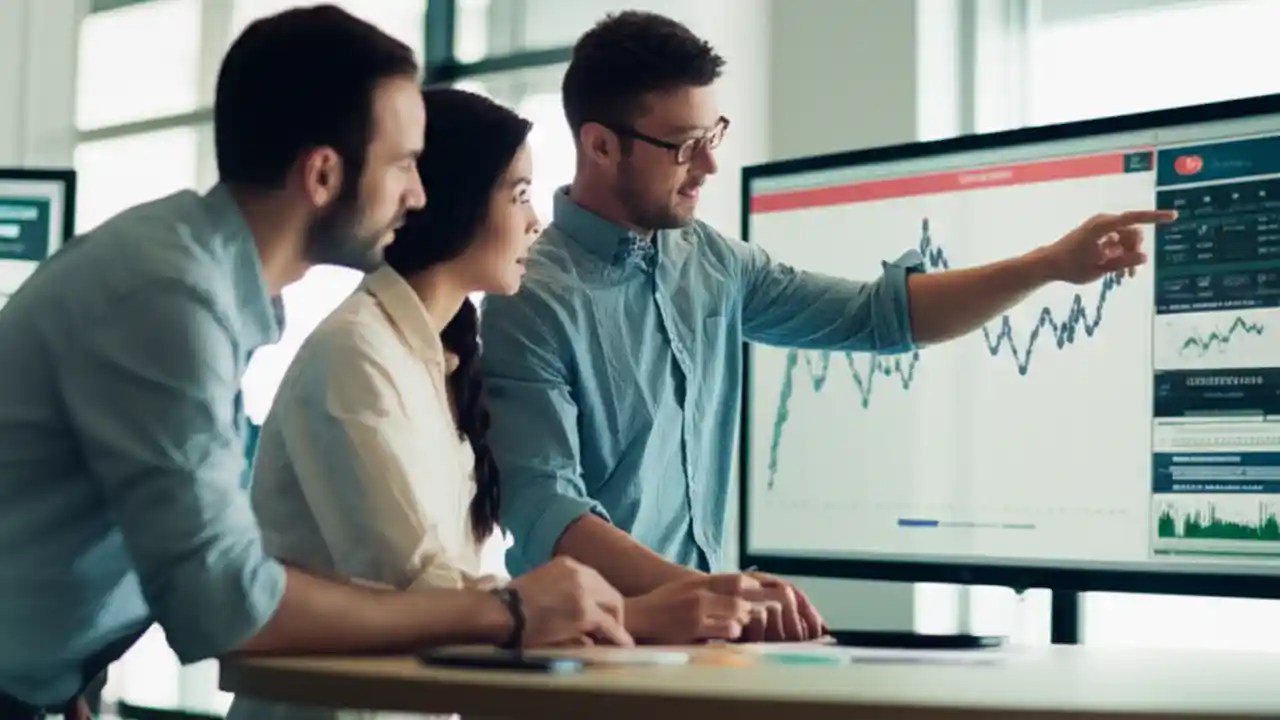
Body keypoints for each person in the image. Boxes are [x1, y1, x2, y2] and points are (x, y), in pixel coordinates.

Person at [0, 7, 629, 717]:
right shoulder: (169, 297)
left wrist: (73, 676)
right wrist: (504, 612)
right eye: (401, 166)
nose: (419, 196)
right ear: (324, 174)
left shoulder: (194, 280)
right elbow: (225, 601)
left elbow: (121, 524)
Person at [477, 9, 1177, 643]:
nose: (712, 165)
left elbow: (879, 316)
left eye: (714, 134)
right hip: (591, 656)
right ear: (601, 146)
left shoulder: (712, 263)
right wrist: (704, 592)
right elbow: (548, 509)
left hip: (713, 651)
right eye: (686, 145)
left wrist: (1050, 264)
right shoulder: (529, 297)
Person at [232, 86, 763, 720]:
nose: (536, 220)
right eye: (518, 195)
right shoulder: (357, 358)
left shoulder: (435, 360)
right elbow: (426, 591)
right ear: (454, 202)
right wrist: (636, 613)